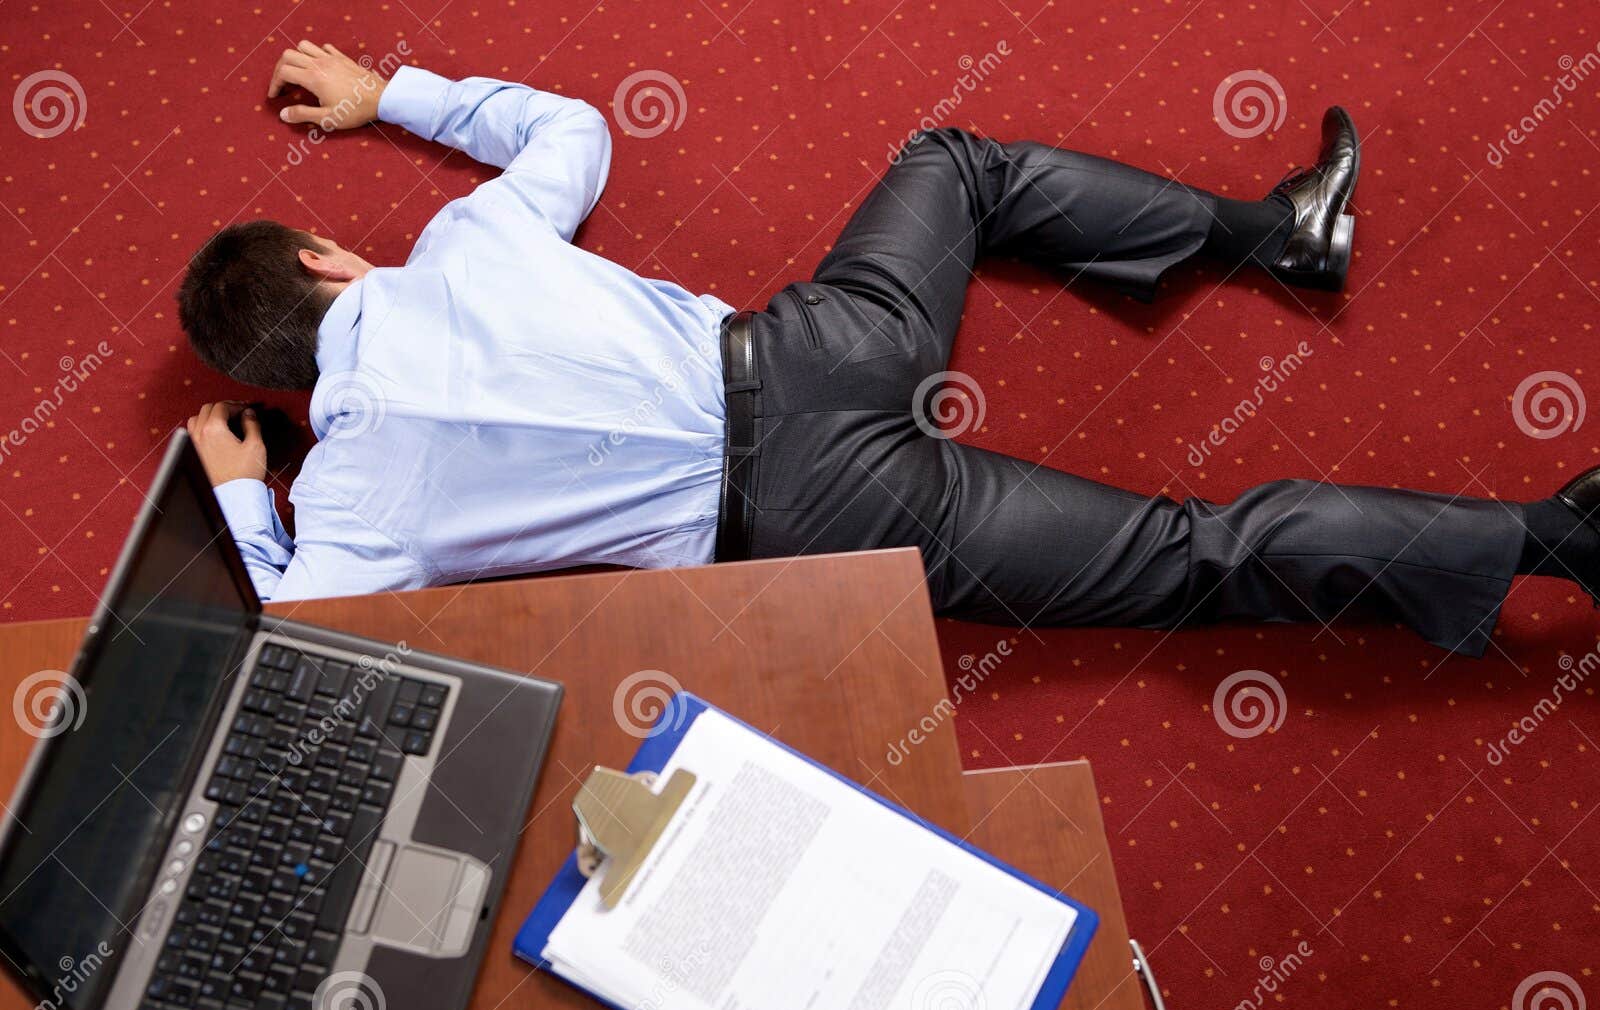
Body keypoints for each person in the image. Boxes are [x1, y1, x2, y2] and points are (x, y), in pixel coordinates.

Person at [178, 43, 1599, 656]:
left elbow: (304, 632)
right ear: (323, 262)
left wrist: (247, 489)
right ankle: (1276, 234)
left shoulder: (345, 502)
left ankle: (1553, 538)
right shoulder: (464, 251)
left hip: (814, 525)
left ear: (280, 388)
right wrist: (395, 95)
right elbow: (573, 135)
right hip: (817, 352)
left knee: (1190, 553)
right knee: (956, 165)